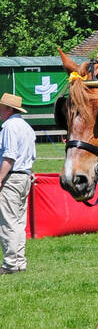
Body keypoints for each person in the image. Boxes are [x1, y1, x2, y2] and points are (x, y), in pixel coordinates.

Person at [0, 91, 36, 274]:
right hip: (25, 176)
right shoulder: (26, 127)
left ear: (8, 108)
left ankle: (11, 264)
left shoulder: (9, 127)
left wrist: (0, 178)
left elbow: (9, 156)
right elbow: (33, 155)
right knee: (19, 222)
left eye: (1, 107)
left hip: (12, 177)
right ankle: (19, 261)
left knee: (8, 222)